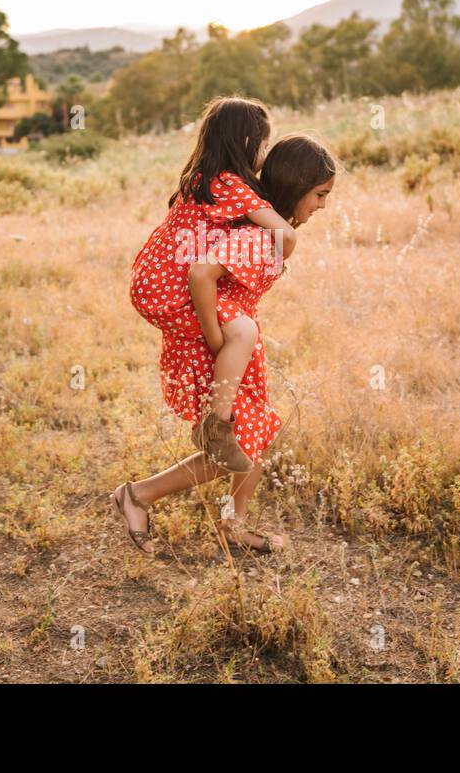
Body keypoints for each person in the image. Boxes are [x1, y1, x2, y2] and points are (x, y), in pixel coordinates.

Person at [116, 128, 339, 555]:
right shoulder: (260, 235)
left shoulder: (259, 224)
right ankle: (139, 495)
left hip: (233, 343)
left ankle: (232, 525)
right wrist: (219, 340)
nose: (323, 206)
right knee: (234, 440)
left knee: (256, 431)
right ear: (296, 188)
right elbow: (203, 273)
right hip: (220, 344)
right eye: (320, 194)